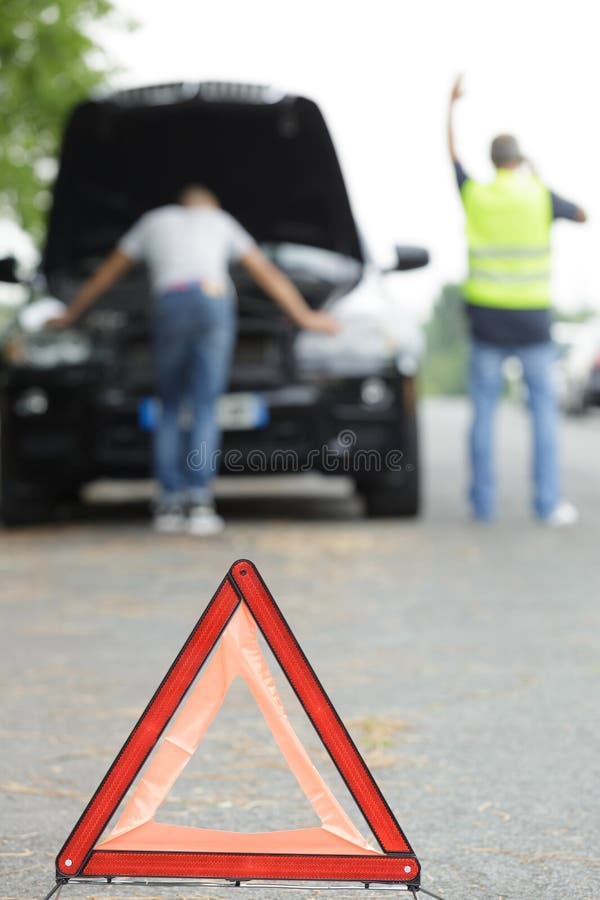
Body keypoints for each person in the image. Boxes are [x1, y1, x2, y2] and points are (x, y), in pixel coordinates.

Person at [51, 185, 338, 535]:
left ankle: (170, 504)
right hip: (212, 300)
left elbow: (107, 274)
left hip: (170, 302)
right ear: (208, 204)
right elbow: (267, 273)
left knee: (170, 404)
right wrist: (305, 317)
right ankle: (199, 502)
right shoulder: (219, 221)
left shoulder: (154, 221)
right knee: (204, 405)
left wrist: (71, 313)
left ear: (182, 203)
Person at [447, 76, 587, 525]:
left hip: (487, 319)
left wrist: (449, 108)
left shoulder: (477, 194)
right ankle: (547, 504)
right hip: (531, 320)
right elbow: (583, 214)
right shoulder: (539, 195)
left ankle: (481, 505)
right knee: (543, 412)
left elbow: (451, 155)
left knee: (483, 414)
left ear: (492, 161)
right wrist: (537, 173)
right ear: (519, 159)